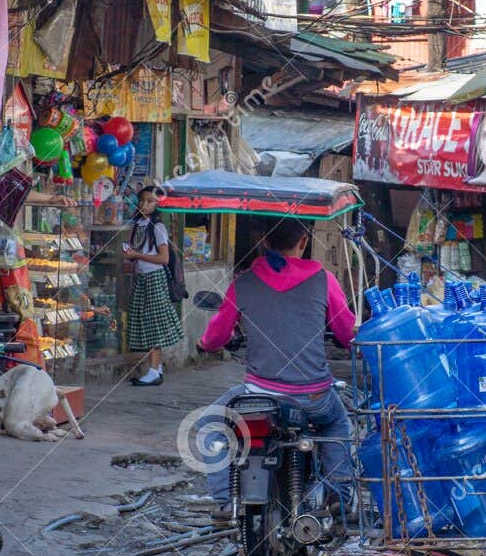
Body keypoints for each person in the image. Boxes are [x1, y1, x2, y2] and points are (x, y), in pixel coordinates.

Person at [197, 218, 356, 524]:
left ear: (265, 243)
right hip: (314, 396)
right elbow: (347, 334)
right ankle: (340, 495)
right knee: (337, 425)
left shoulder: (243, 282)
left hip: (259, 396)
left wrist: (203, 343)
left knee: (210, 422)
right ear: (303, 243)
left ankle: (221, 500)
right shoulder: (324, 279)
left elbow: (215, 338)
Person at [123, 184, 183, 387]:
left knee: (153, 325)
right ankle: (156, 369)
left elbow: (164, 258)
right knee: (144, 322)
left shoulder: (158, 227)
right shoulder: (139, 224)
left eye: (150, 201)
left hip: (154, 278)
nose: (144, 204)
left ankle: (153, 371)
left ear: (158, 204)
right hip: (142, 277)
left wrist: (137, 255)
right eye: (142, 200)